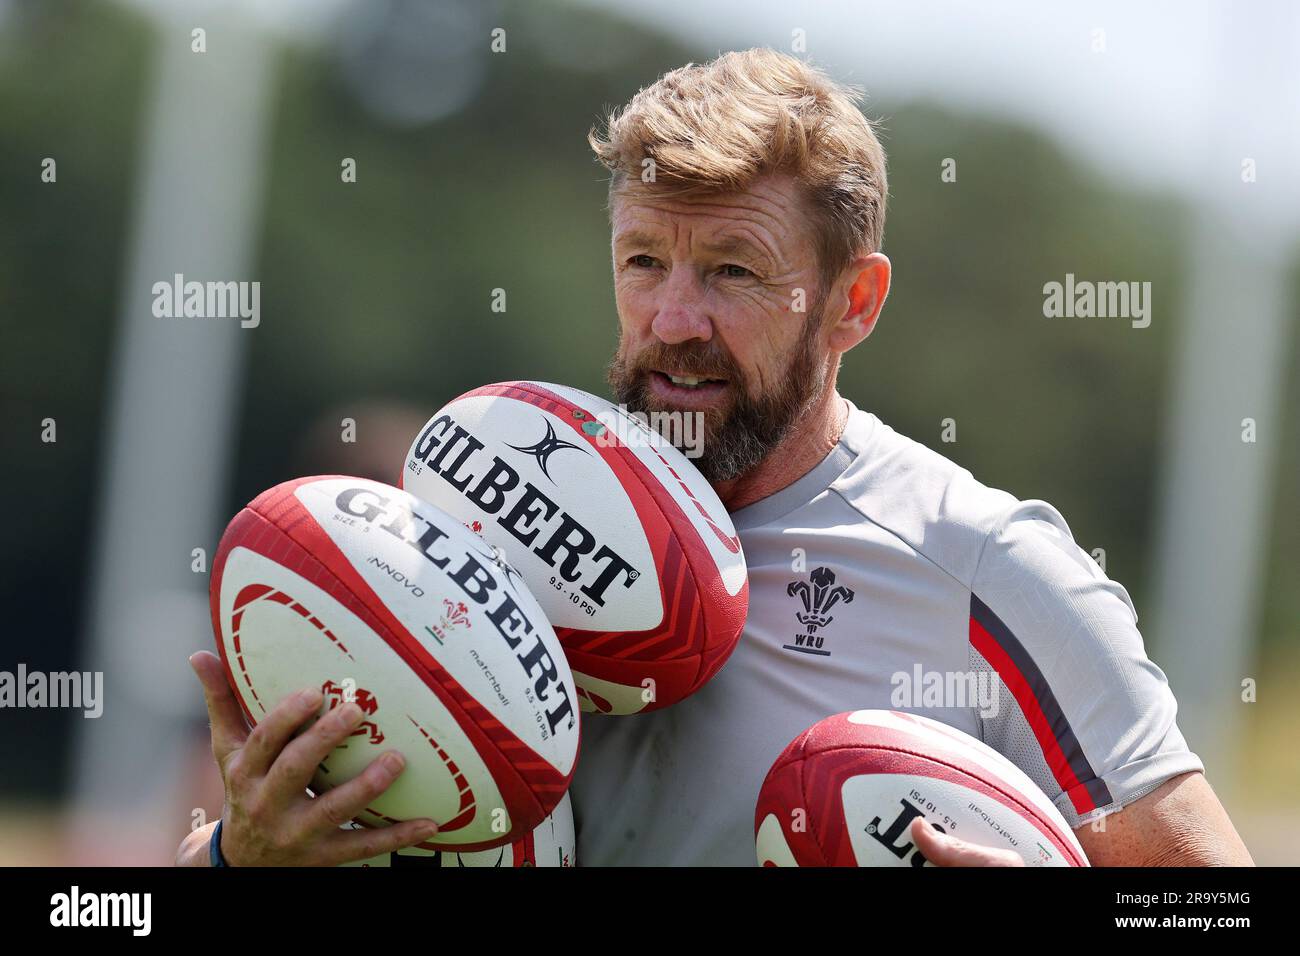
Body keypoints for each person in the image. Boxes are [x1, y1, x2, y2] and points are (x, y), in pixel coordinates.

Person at [178, 49, 1252, 867]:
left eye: (735, 270)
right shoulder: (479, 511)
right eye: (644, 259)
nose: (674, 317)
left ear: (853, 302)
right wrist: (237, 854)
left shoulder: (984, 569)